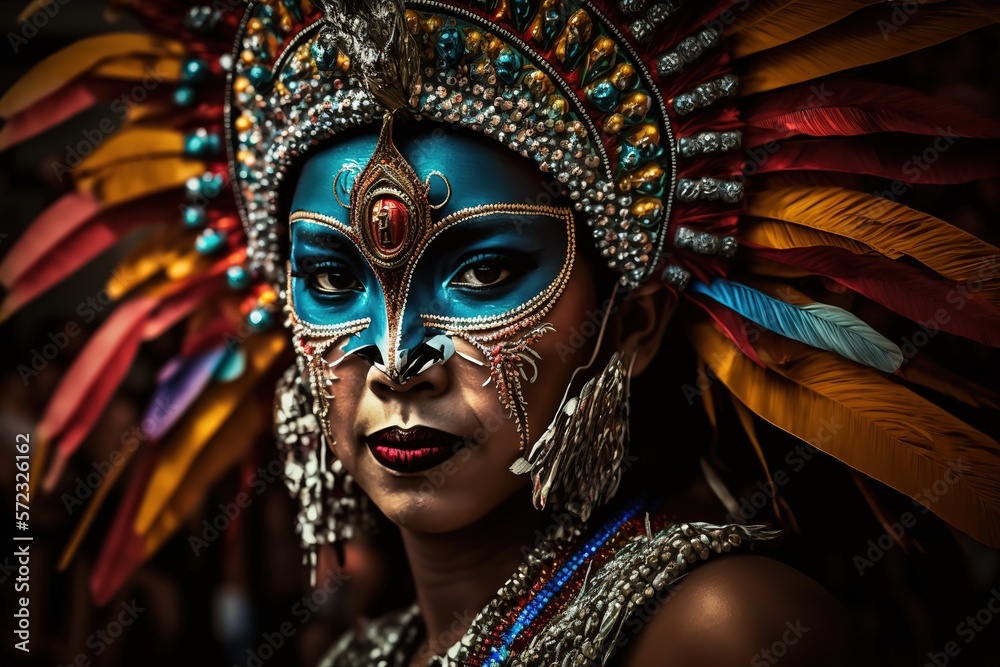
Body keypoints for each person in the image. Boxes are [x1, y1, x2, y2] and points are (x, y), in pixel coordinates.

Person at [2, 0, 999, 665]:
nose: (397, 357)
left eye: (481, 272)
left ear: (631, 326)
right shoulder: (361, 655)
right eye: (332, 276)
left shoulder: (719, 630)